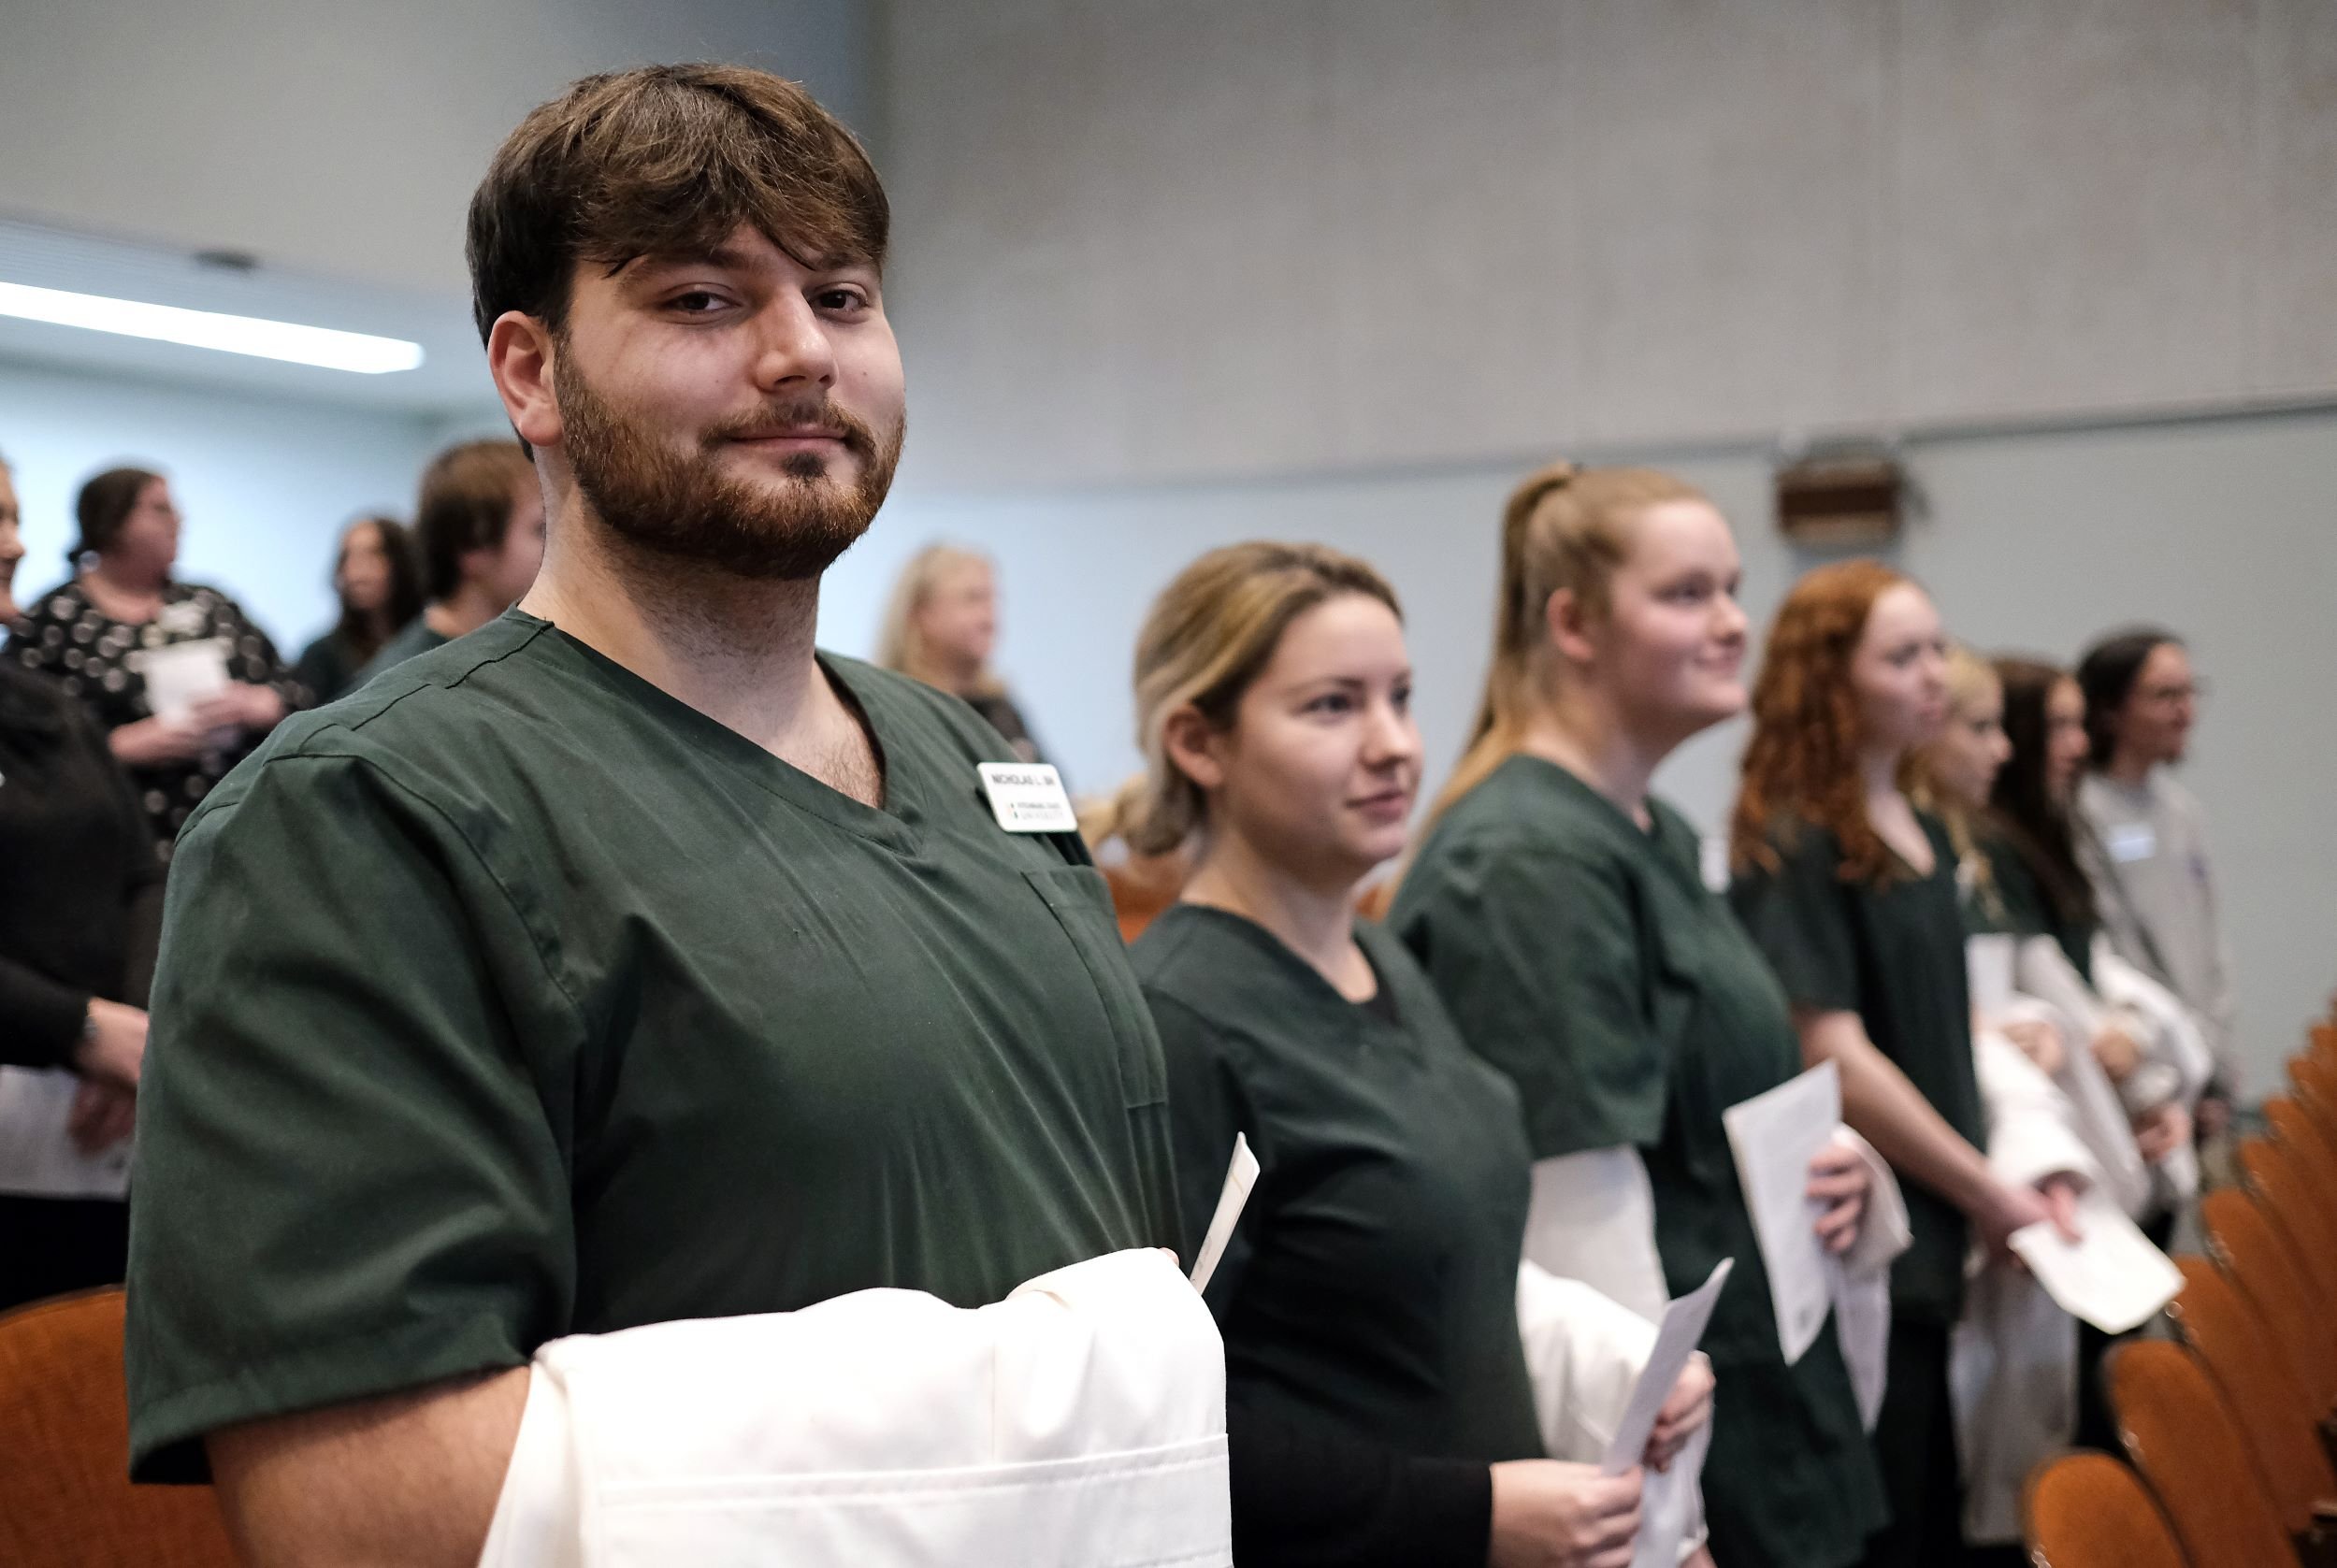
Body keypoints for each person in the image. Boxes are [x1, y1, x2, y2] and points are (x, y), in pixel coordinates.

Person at [123, 64, 1226, 1568]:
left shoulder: (965, 757)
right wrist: (1076, 1406)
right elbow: (361, 1517)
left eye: (841, 297)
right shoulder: (357, 821)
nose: (802, 354)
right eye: (703, 300)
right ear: (531, 375)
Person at [1108, 540, 1711, 1568]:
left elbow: (1427, 1274)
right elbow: (1159, 1422)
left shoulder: (1380, 959)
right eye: (1332, 707)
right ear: (1200, 743)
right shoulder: (1180, 1022)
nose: (1393, 744)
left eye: (1401, 697)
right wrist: (1470, 1511)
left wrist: (1612, 1368)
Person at [1390, 464, 1892, 1568]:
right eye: (1687, 594)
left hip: (1756, 1389)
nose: (1734, 623)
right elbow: (1573, 1219)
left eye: (1732, 589)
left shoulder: (1643, 827)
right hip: (1677, 1456)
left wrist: (1833, 1171)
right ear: (1573, 623)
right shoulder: (1528, 862)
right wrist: (1662, 1523)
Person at [1724, 561, 2070, 1568]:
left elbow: (1918, 1013)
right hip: (1871, 1231)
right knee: (1891, 1524)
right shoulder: (1800, 837)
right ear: (1831, 678)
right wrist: (1986, 1189)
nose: (1932, 675)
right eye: (1902, 656)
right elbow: (1829, 1046)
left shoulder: (1918, 826)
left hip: (1937, 1220)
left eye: (1934, 648)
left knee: (1935, 1507)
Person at [0, 450, 158, 1311]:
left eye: (16, 518)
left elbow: (143, 871)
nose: (17, 543)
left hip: (96, 1130)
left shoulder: (47, 705)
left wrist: (127, 1031)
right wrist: (77, 1026)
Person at [8, 467, 298, 862]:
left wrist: (265, 704)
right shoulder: (54, 619)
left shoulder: (211, 604)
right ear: (111, 522)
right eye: (160, 509)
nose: (178, 521)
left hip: (238, 833)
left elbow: (300, 694)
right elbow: (19, 746)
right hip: (118, 848)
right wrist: (113, 749)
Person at [2072, 628, 2237, 1143]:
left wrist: (2218, 1066)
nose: (2185, 712)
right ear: (2109, 711)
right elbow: (2118, 949)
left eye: (2190, 693)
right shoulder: (2081, 811)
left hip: (2202, 1067)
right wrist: (2174, 1058)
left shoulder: (2182, 812)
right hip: (2144, 1068)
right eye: (2166, 695)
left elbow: (2210, 950)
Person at [353, 440, 544, 683]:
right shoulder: (409, 684)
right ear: (473, 545)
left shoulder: (502, 654)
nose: (556, 545)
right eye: (541, 529)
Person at [875, 540, 1051, 766]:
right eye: (973, 598)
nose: (990, 619)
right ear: (921, 614)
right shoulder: (891, 712)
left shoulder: (1000, 710)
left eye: (993, 600)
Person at [293, 514, 425, 703]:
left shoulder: (428, 640)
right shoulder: (320, 655)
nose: (357, 573)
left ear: (400, 563)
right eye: (348, 557)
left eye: (373, 555)